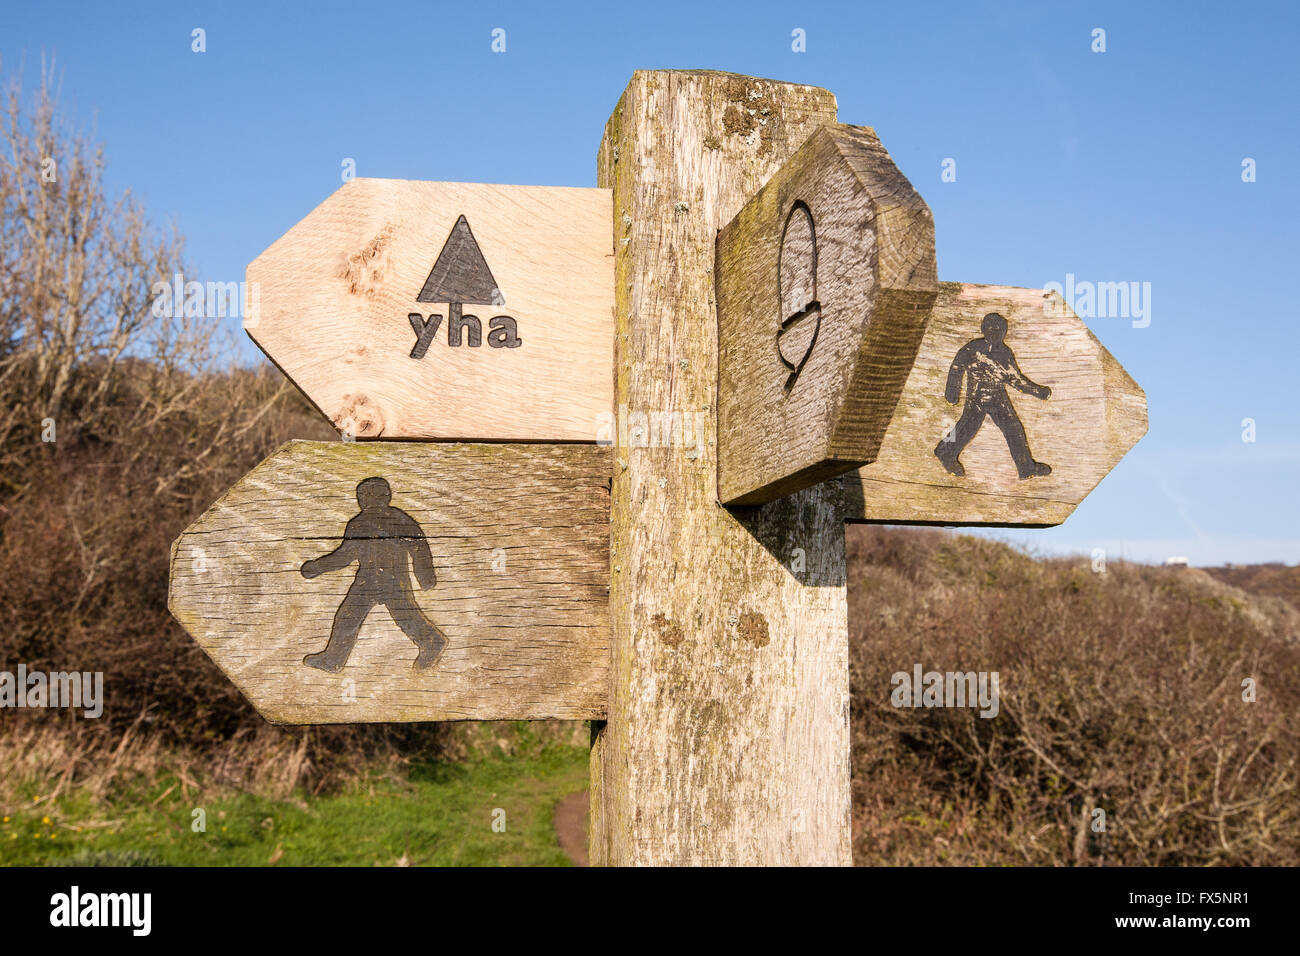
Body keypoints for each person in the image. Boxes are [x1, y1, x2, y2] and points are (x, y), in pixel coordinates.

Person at [300, 476, 446, 672]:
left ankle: (433, 642)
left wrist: (425, 576)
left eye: (366, 495)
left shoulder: (376, 521)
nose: (363, 499)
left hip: (386, 581)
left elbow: (418, 547)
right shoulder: (374, 522)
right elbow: (346, 555)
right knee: (351, 617)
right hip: (375, 581)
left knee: (401, 616)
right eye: (362, 495)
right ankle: (334, 658)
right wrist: (425, 577)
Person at [934, 313, 1052, 479]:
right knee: (966, 429)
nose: (995, 333)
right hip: (977, 398)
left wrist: (1037, 391)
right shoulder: (973, 348)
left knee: (1014, 429)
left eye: (999, 330)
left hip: (997, 397)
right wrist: (952, 390)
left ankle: (1026, 467)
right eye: (991, 329)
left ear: (1004, 331)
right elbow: (956, 367)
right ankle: (945, 452)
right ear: (983, 329)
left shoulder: (1004, 352)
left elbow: (1015, 379)